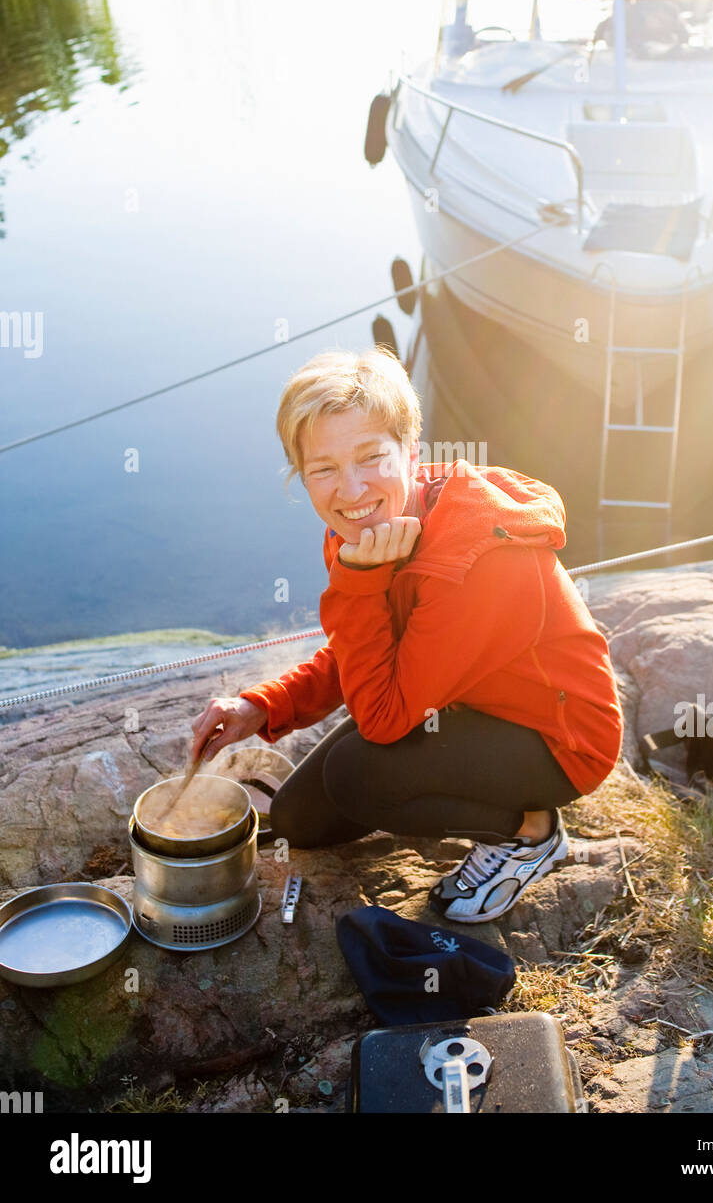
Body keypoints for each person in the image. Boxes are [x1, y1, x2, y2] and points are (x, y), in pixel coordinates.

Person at [190, 347, 623, 923]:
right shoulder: (368, 526)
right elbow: (363, 644)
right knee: (301, 822)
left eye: (371, 457)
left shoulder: (473, 560)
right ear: (302, 474)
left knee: (357, 776)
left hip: (557, 737)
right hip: (453, 696)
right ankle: (474, 799)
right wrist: (262, 705)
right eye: (323, 469)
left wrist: (359, 581)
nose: (349, 491)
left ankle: (530, 833)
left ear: (411, 452)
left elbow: (385, 717)